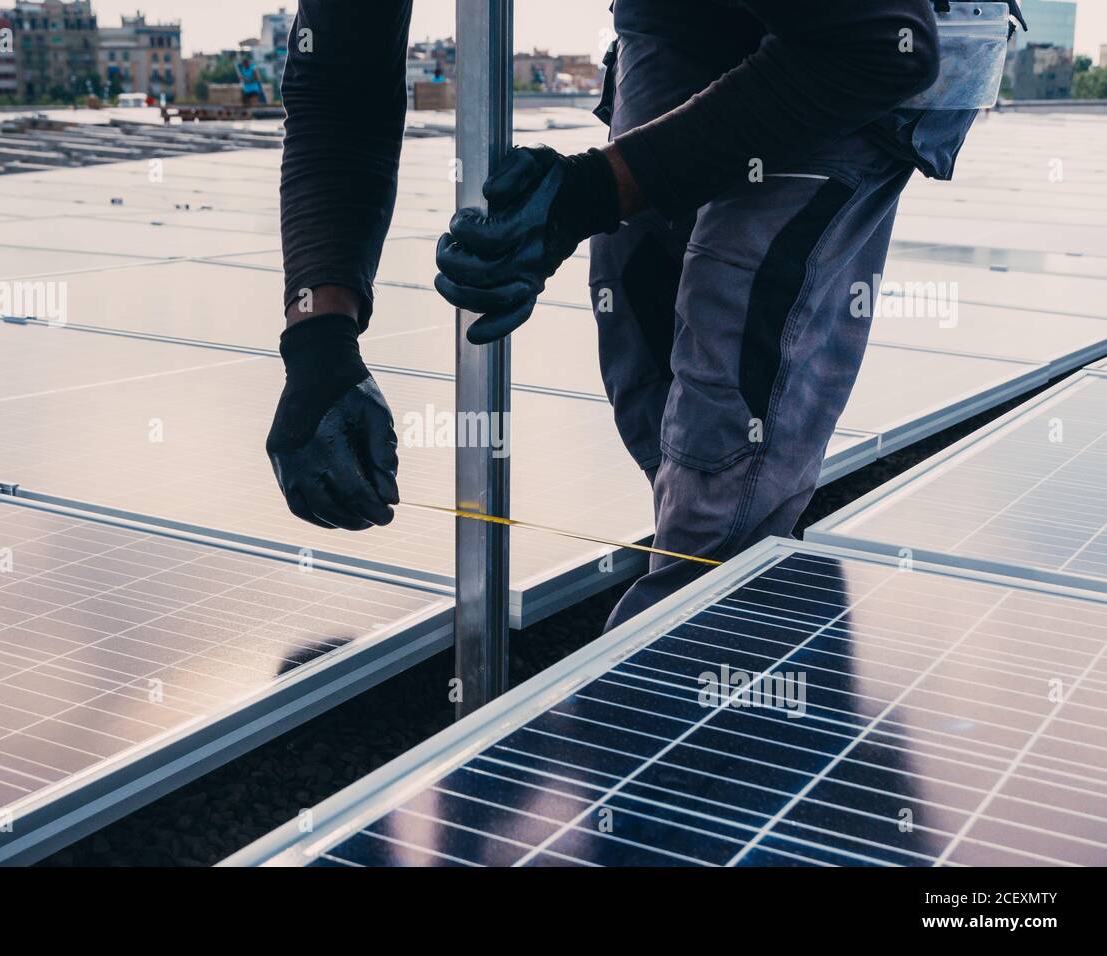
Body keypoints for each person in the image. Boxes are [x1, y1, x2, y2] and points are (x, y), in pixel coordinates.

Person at [265, 1, 1018, 629]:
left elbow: (876, 47)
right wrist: (318, 335)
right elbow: (339, 78)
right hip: (683, 16)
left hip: (874, 29)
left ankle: (692, 687)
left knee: (736, 328)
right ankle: (729, 567)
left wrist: (591, 193)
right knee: (637, 308)